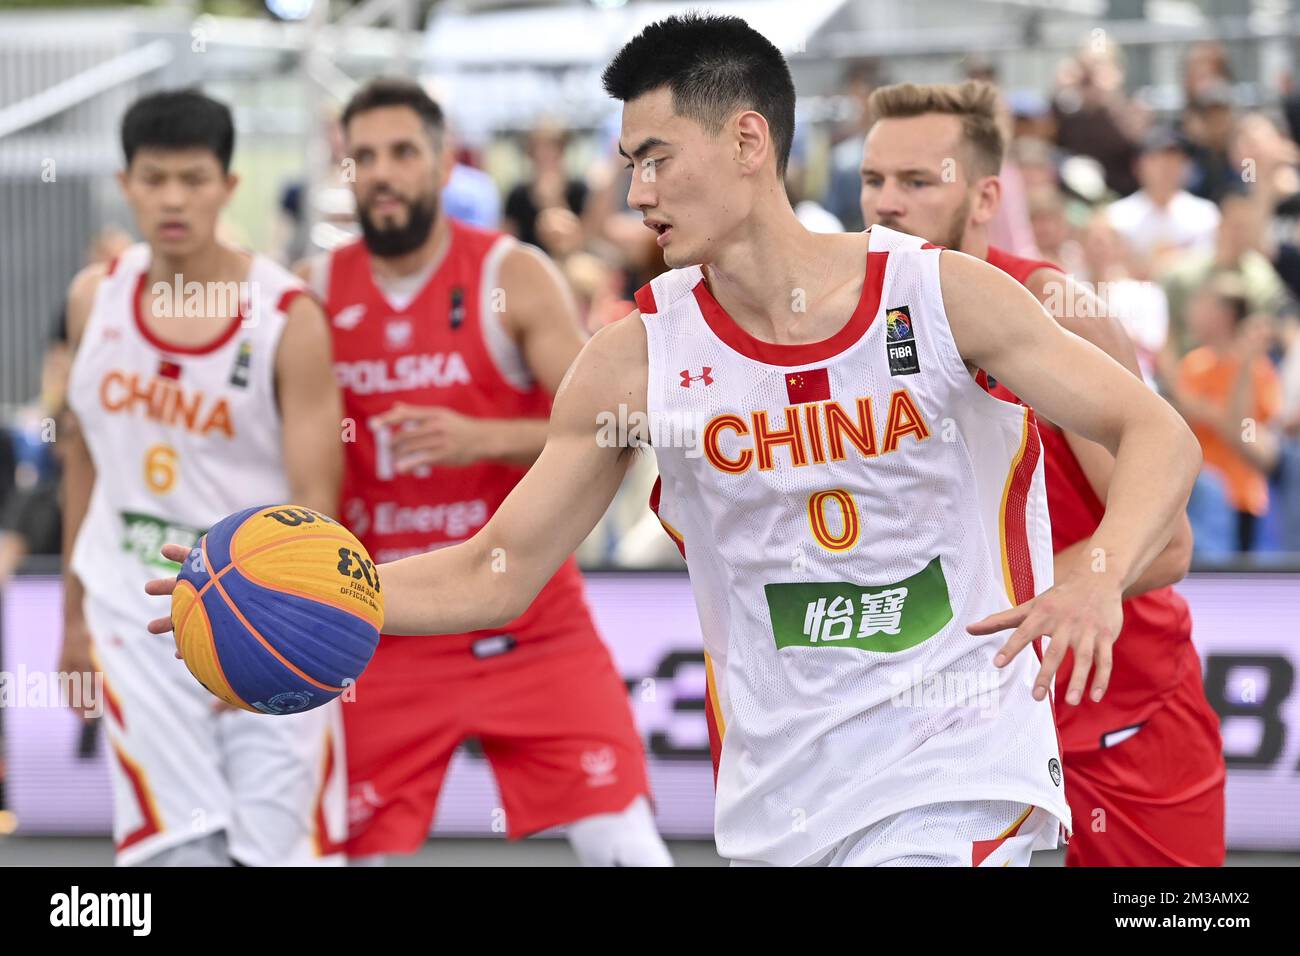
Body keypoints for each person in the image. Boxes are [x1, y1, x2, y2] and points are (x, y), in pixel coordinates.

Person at [151, 14, 1201, 868]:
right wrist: (316, 597)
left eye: (655, 157)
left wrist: (1098, 570)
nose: (634, 191)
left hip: (959, 781)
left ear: (748, 141)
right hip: (778, 805)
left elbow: (1153, 430)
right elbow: (497, 568)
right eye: (626, 163)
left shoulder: (935, 297)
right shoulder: (636, 357)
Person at [295, 79, 669, 867]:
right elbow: (291, 465)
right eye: (364, 157)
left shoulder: (512, 273)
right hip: (384, 617)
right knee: (338, 853)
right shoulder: (316, 291)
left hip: (524, 612)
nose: (384, 172)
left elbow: (615, 429)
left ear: (441, 165)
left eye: (403, 152)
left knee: (624, 839)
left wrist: (481, 438)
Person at [859, 79, 1225, 866]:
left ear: (986, 196)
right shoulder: (863, 319)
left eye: (918, 183)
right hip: (961, 728)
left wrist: (965, 609)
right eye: (873, 180)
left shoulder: (1056, 311)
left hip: (1119, 714)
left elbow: (1169, 549)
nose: (886, 204)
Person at [65, 89, 347, 865]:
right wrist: (71, 619)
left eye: (193, 178)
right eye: (153, 179)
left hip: (263, 620)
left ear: (228, 185)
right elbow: (81, 459)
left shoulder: (288, 317)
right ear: (126, 184)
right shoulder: (96, 299)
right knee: (174, 853)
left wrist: (274, 638)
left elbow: (318, 506)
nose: (173, 198)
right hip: (133, 616)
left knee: (279, 855)